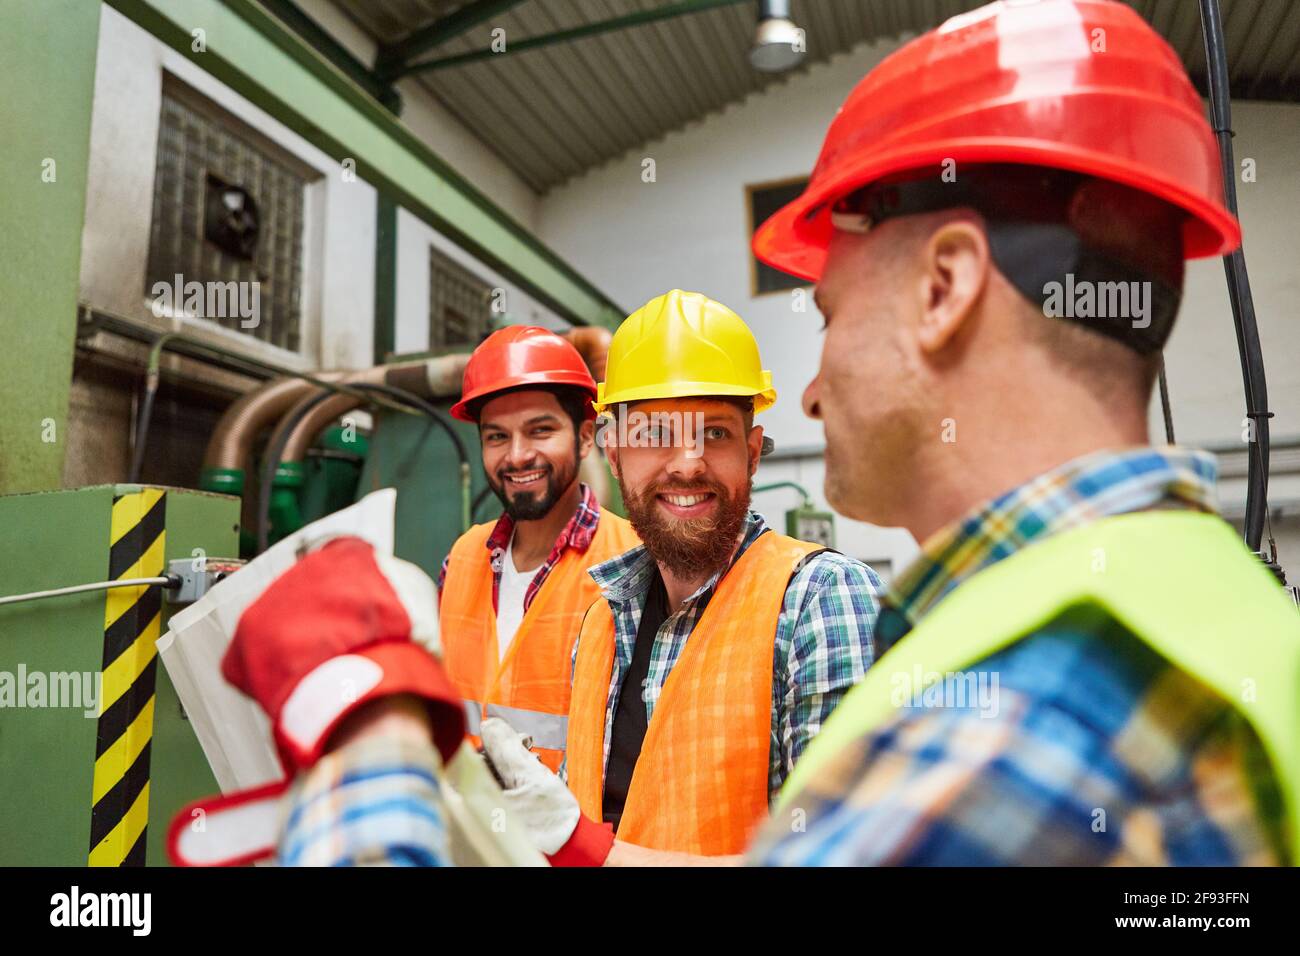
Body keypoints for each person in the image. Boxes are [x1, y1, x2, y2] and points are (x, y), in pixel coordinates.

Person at [742, 0, 1298, 865]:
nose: (810, 397)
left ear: (944, 289)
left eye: (829, 315)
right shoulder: (1221, 614)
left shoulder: (1025, 729)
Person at [480, 289, 883, 865]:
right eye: (655, 434)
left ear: (751, 452)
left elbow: (851, 856)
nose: (688, 462)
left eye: (714, 433)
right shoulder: (601, 621)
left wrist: (586, 850)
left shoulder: (821, 600)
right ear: (614, 454)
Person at [438, 326, 639, 770]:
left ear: (586, 437)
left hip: (582, 836)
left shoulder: (634, 563)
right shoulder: (463, 558)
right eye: (496, 437)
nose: (517, 456)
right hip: (471, 829)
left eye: (539, 430)